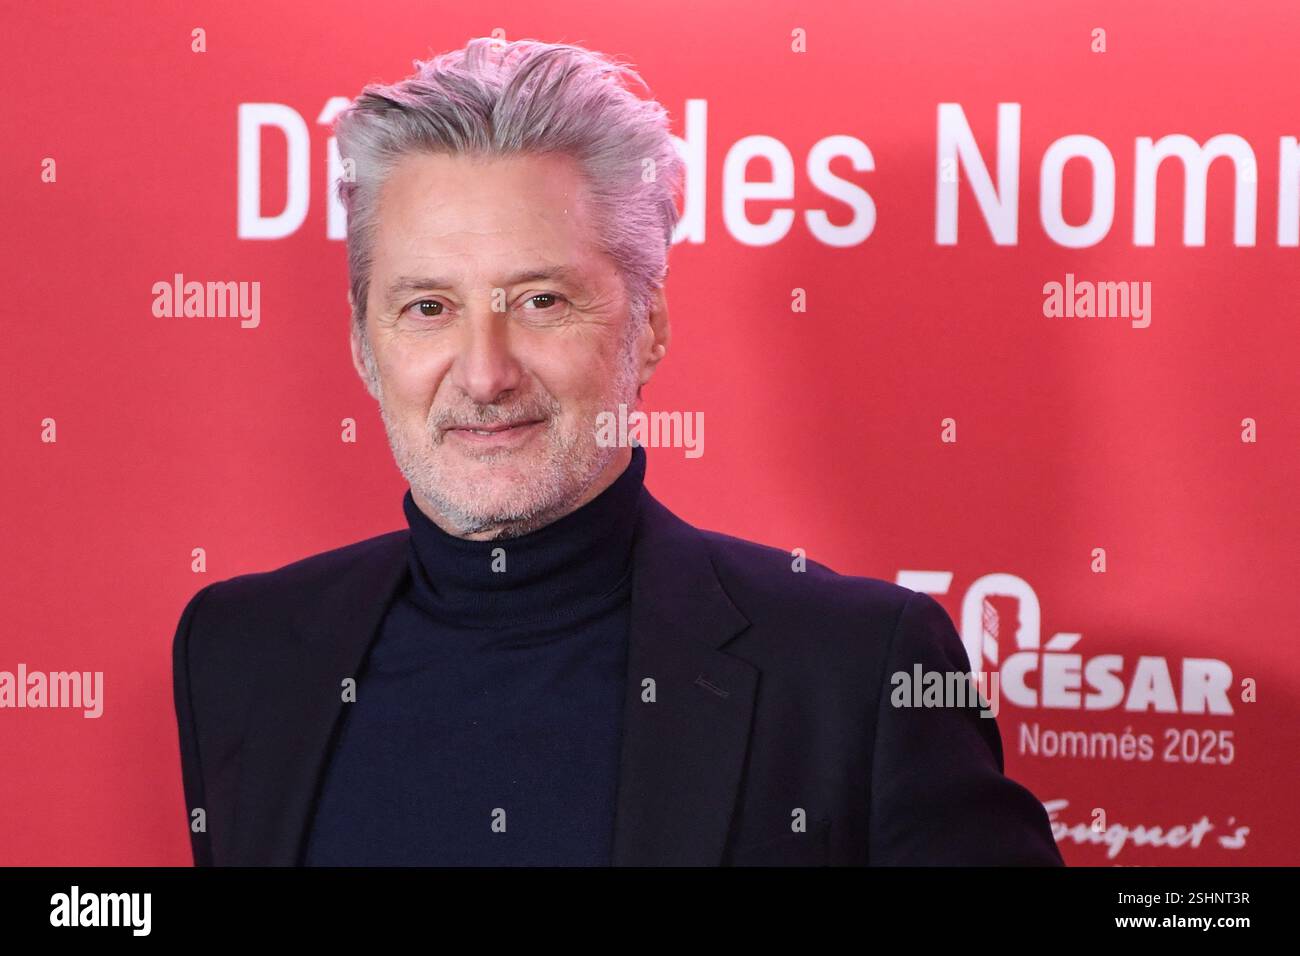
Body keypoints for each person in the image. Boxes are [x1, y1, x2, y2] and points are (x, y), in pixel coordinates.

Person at [171, 36, 1063, 866]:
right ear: (366, 346)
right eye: (429, 307)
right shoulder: (240, 652)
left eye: (542, 301)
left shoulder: (858, 674)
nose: (485, 374)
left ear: (649, 327)